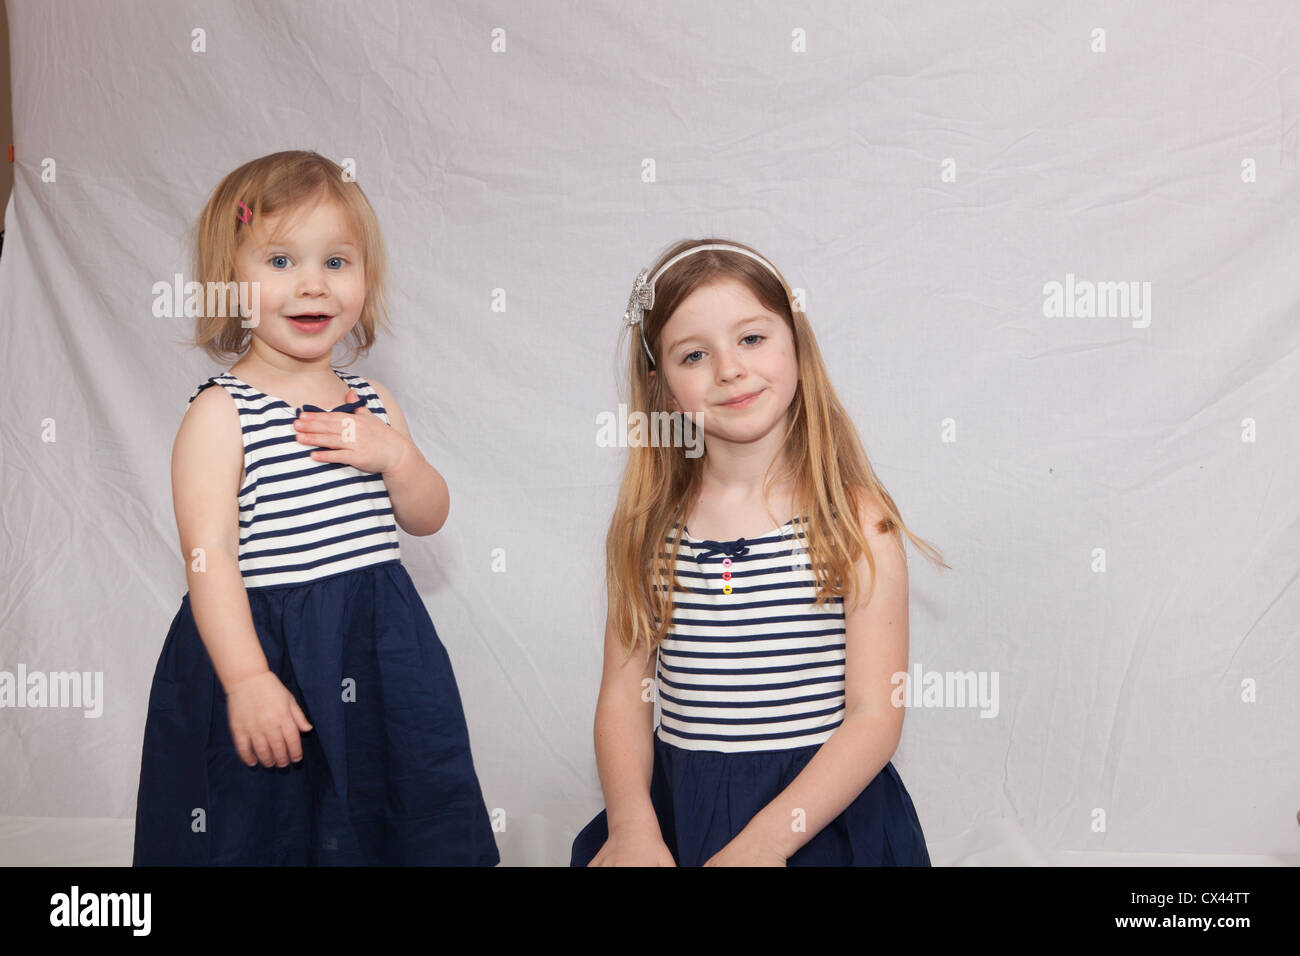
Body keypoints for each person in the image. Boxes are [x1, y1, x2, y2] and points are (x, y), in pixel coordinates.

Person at [133, 150, 498, 865]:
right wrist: (245, 679)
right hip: (272, 649)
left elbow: (428, 515)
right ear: (228, 282)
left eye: (336, 262)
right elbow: (209, 558)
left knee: (389, 810)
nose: (312, 285)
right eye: (279, 262)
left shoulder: (373, 401)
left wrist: (397, 456)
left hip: (376, 643)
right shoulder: (221, 414)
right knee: (270, 826)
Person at [571, 239, 948, 866]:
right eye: (694, 354)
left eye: (751, 339)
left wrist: (767, 846)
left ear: (796, 345)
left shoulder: (853, 522)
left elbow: (874, 718)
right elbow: (621, 699)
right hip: (684, 813)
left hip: (817, 819)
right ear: (661, 386)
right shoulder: (650, 531)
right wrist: (633, 825)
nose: (729, 369)